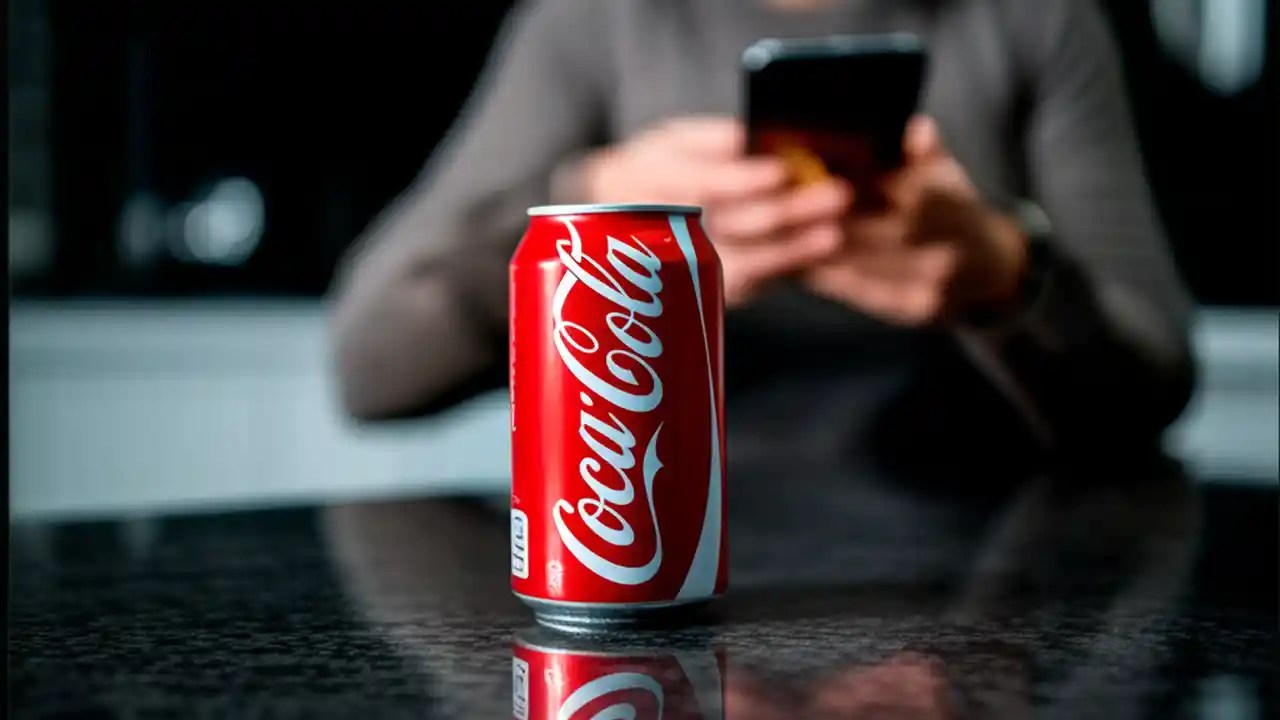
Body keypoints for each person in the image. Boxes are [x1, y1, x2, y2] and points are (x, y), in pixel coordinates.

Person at [330, 0, 1193, 464]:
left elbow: (1156, 376)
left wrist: (1007, 275)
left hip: (1001, 556)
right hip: (662, 521)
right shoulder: (598, 20)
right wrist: (591, 204)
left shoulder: (1039, 19)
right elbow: (370, 366)